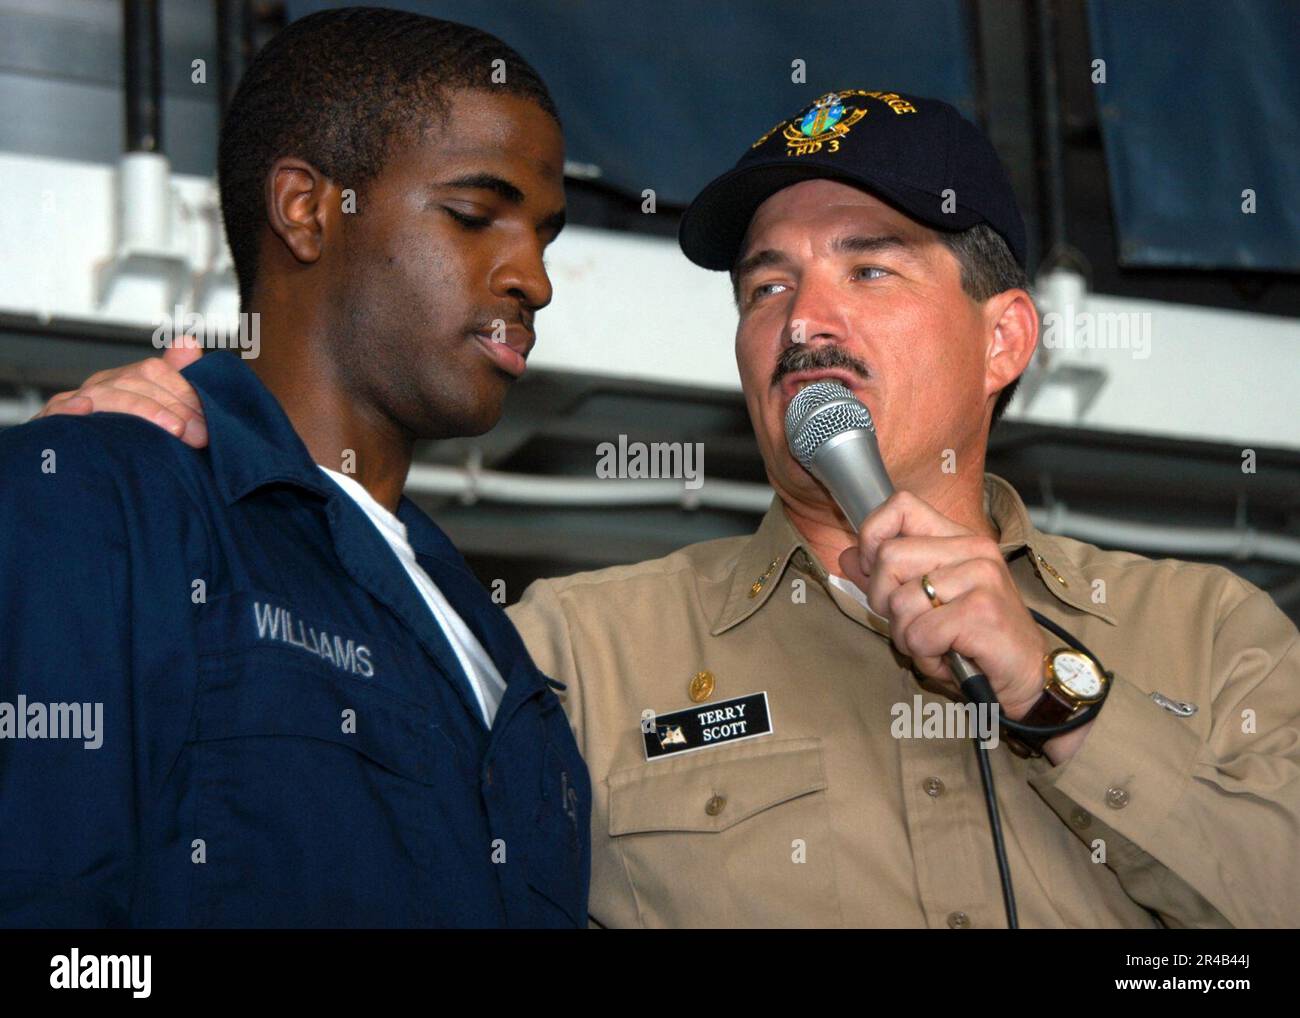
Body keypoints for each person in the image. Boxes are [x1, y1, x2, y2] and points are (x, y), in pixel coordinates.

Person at [38, 88, 1300, 928]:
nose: (805, 321)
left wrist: (1052, 692)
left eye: (870, 268)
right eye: (766, 288)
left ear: (1005, 335)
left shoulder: (1209, 632)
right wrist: (197, 452)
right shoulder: (564, 655)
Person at [0, 7, 588, 928]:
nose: (535, 280)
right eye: (476, 216)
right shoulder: (104, 497)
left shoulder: (500, 659)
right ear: (307, 210)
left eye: (545, 237)